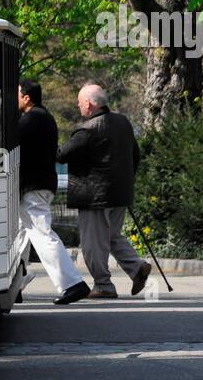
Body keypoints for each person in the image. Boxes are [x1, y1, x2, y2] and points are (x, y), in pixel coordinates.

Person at [56, 83, 152, 299]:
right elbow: (135, 155)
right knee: (110, 237)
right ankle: (137, 268)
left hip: (94, 196)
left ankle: (104, 285)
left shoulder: (88, 129)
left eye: (80, 102)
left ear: (89, 104)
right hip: (120, 193)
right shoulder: (123, 123)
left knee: (91, 244)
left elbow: (62, 154)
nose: (78, 105)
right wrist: (124, 180)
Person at [16, 80, 88, 305]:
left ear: (27, 97)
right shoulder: (43, 117)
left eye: (17, 94)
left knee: (41, 232)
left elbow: (13, 146)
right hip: (40, 183)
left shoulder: (31, 119)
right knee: (20, 234)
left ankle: (72, 283)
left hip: (33, 185)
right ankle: (14, 284)